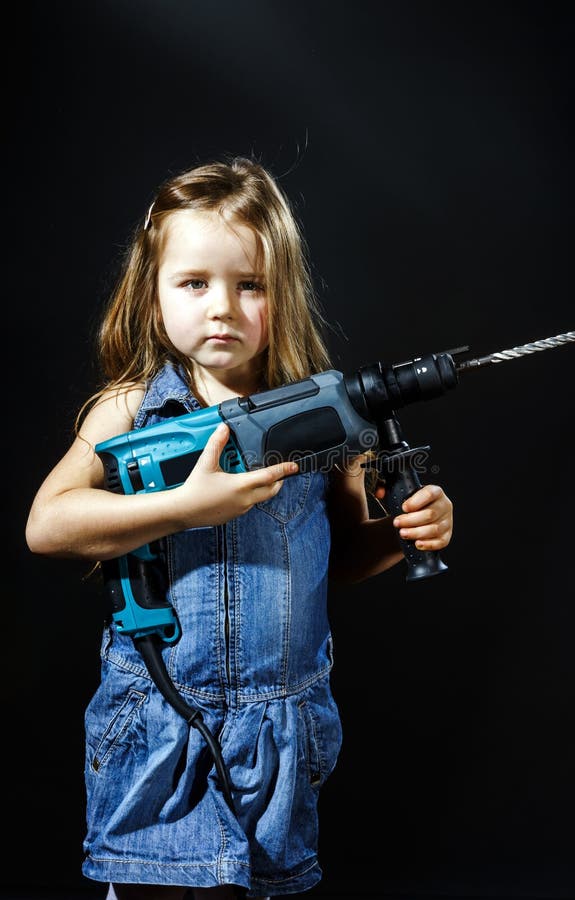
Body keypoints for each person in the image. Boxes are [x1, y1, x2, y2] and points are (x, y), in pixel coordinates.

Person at [25, 157, 453, 900]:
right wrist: (186, 508)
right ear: (151, 293)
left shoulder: (326, 418)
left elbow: (347, 554)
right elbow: (48, 525)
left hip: (278, 735)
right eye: (194, 283)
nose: (221, 307)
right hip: (157, 728)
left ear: (281, 293)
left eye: (249, 285)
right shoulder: (127, 411)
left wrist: (406, 532)